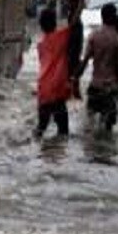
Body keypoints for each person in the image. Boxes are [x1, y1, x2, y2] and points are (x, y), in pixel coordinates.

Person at [77, 3, 118, 131]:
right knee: (108, 129)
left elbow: (85, 61)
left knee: (88, 125)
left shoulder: (93, 36)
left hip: (95, 86)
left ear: (102, 17)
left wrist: (74, 78)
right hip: (110, 88)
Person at [35, 7, 75, 137]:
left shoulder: (41, 45)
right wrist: (81, 1)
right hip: (56, 91)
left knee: (41, 128)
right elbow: (74, 22)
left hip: (43, 90)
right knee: (63, 132)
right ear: (55, 23)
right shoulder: (61, 37)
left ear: (41, 26)